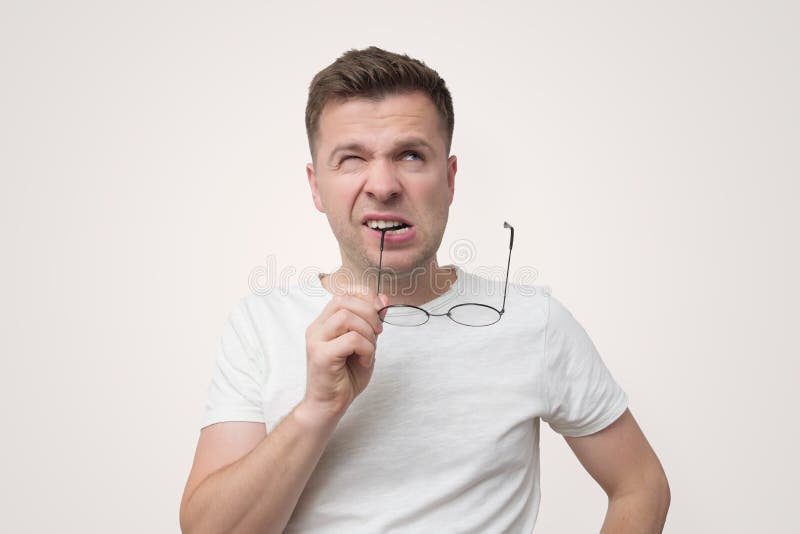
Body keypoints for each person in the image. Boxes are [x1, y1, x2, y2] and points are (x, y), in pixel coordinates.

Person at [179, 46, 670, 533]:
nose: (384, 184)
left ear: (450, 179)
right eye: (351, 159)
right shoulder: (258, 325)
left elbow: (640, 484)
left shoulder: (532, 322)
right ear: (315, 188)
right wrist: (316, 411)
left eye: (411, 155)